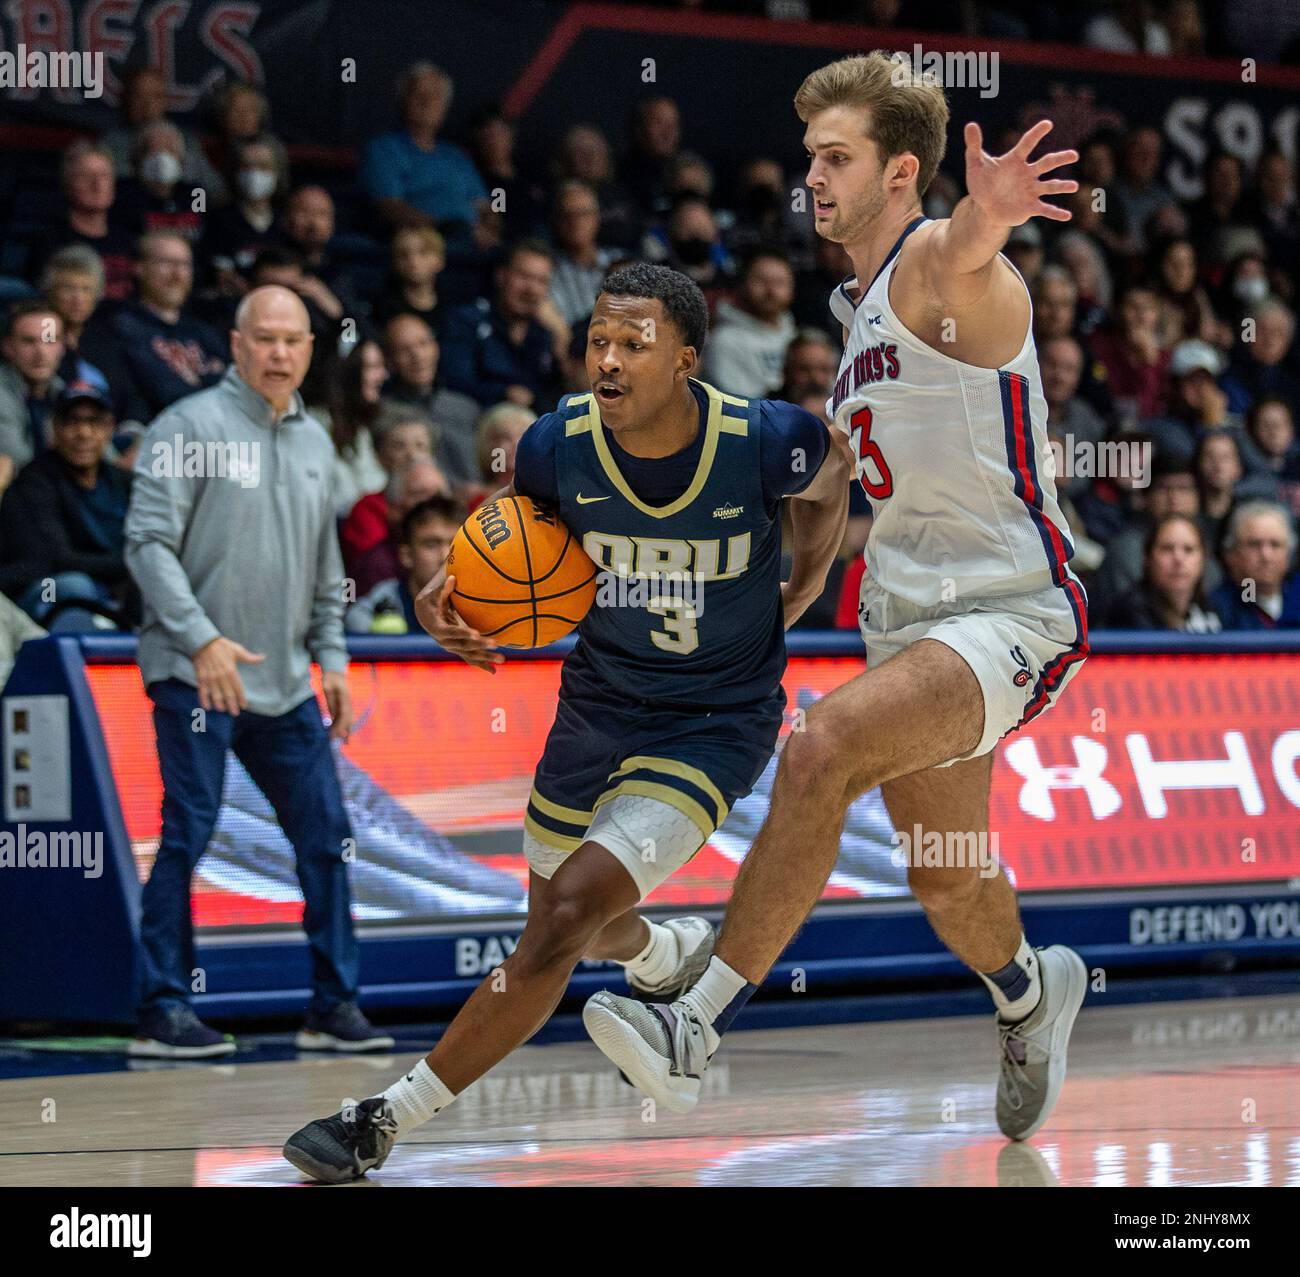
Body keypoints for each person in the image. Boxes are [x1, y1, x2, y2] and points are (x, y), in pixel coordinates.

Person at [581, 54, 1091, 1142]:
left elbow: (966, 250)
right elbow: (834, 482)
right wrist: (792, 585)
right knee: (946, 876)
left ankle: (694, 1024)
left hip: (1010, 612)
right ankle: (1031, 991)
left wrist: (989, 213)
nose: (810, 175)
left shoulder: (942, 270)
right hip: (907, 625)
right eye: (809, 154)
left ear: (900, 172)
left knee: (819, 749)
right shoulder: (858, 318)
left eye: (836, 157)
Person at [281, 262, 848, 1182]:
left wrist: (809, 577)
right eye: (598, 343)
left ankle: (381, 1117)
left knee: (564, 919)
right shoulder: (554, 444)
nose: (609, 361)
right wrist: (447, 590)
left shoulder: (765, 439)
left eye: (635, 344)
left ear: (688, 359)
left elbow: (835, 476)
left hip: (716, 717)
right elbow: (513, 536)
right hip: (599, 704)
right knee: (564, 916)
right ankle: (662, 951)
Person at [124, 285, 390, 1057]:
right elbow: (146, 544)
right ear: (236, 346)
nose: (279, 353)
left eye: (292, 340)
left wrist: (332, 656)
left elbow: (325, 566)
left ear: (310, 350)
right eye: (264, 338)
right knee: (189, 832)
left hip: (282, 682)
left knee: (327, 838)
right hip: (195, 673)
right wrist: (202, 640)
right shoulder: (187, 427)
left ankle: (332, 1007)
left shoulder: (315, 441)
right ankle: (164, 1009)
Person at [0, 381, 134, 631]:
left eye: (94, 422)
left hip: (111, 585)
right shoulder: (34, 482)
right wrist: (132, 564)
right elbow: (57, 559)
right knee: (73, 587)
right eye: (72, 422)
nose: (83, 433)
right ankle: (81, 656)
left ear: (109, 429)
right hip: (43, 590)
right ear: (55, 428)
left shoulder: (123, 482)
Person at [90, 230, 227, 423]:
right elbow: (155, 395)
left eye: (184, 265)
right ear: (139, 268)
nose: (177, 274)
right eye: (167, 263)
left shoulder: (204, 331)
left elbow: (230, 389)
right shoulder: (120, 328)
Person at [439, 240, 567, 411]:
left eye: (542, 281)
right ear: (501, 276)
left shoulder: (547, 331)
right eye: (524, 277)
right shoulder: (467, 320)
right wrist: (503, 393)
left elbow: (568, 389)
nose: (532, 289)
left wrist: (561, 335)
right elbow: (455, 381)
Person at [23, 139, 137, 301]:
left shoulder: (128, 240)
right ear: (67, 184)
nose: (97, 185)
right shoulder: (50, 243)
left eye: (104, 176)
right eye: (86, 176)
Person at [380, 313, 480, 485]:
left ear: (436, 347)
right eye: (404, 349)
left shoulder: (466, 408)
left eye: (423, 344)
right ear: (389, 360)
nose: (417, 356)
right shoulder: (382, 414)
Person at [345, 495, 464, 635]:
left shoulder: (483, 603)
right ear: (406, 555)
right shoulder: (381, 602)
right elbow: (354, 621)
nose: (445, 556)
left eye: (455, 544)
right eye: (431, 544)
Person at [701, 249, 797, 399]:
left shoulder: (795, 334)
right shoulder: (725, 341)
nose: (770, 291)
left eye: (779, 282)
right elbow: (737, 405)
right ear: (742, 284)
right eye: (761, 281)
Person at [1102, 514, 1221, 631]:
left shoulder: (1211, 611)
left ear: (1203, 560)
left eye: (1188, 549)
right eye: (1167, 548)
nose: (1178, 559)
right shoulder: (1127, 614)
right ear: (1147, 558)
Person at [0, 300, 68, 477]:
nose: (41, 352)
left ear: (62, 346)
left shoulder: (66, 392)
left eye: (50, 340)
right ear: (8, 347)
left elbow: (107, 459)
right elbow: (19, 464)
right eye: (29, 341)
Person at [1209, 501, 1300, 629]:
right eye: (1254, 544)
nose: (1266, 556)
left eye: (1275, 545)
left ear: (1289, 554)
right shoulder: (1214, 609)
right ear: (1231, 554)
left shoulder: (1295, 596)